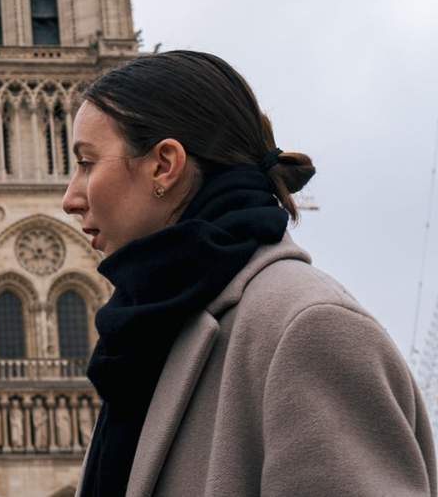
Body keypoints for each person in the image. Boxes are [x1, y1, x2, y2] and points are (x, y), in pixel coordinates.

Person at [62, 51, 436, 496]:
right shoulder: (153, 334)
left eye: (86, 163)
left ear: (164, 165)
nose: (70, 197)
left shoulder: (309, 329)